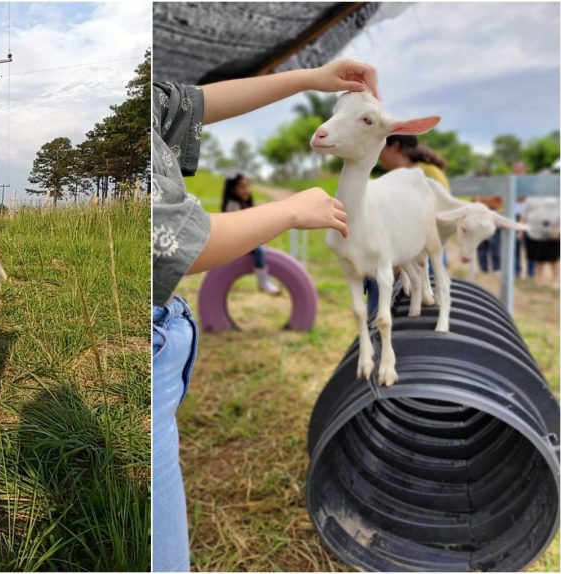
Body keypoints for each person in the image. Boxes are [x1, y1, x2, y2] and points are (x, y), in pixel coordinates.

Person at [152, 59, 365, 571]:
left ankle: (265, 276)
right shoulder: (235, 192)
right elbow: (168, 240)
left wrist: (310, 78)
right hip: (153, 338)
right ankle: (266, 277)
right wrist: (289, 211)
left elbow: (191, 101)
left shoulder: (151, 102)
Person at [365, 135, 452, 314]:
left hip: (422, 252)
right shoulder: (391, 178)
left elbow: (434, 216)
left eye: (381, 146)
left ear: (394, 146)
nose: (378, 154)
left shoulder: (428, 173)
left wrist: (403, 251)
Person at [220, 172, 280, 295]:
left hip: (245, 237)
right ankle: (263, 282)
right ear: (232, 189)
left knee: (262, 248)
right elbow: (237, 227)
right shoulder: (233, 205)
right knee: (259, 250)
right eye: (241, 187)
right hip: (236, 239)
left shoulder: (246, 200)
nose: (246, 189)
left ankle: (265, 278)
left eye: (246, 186)